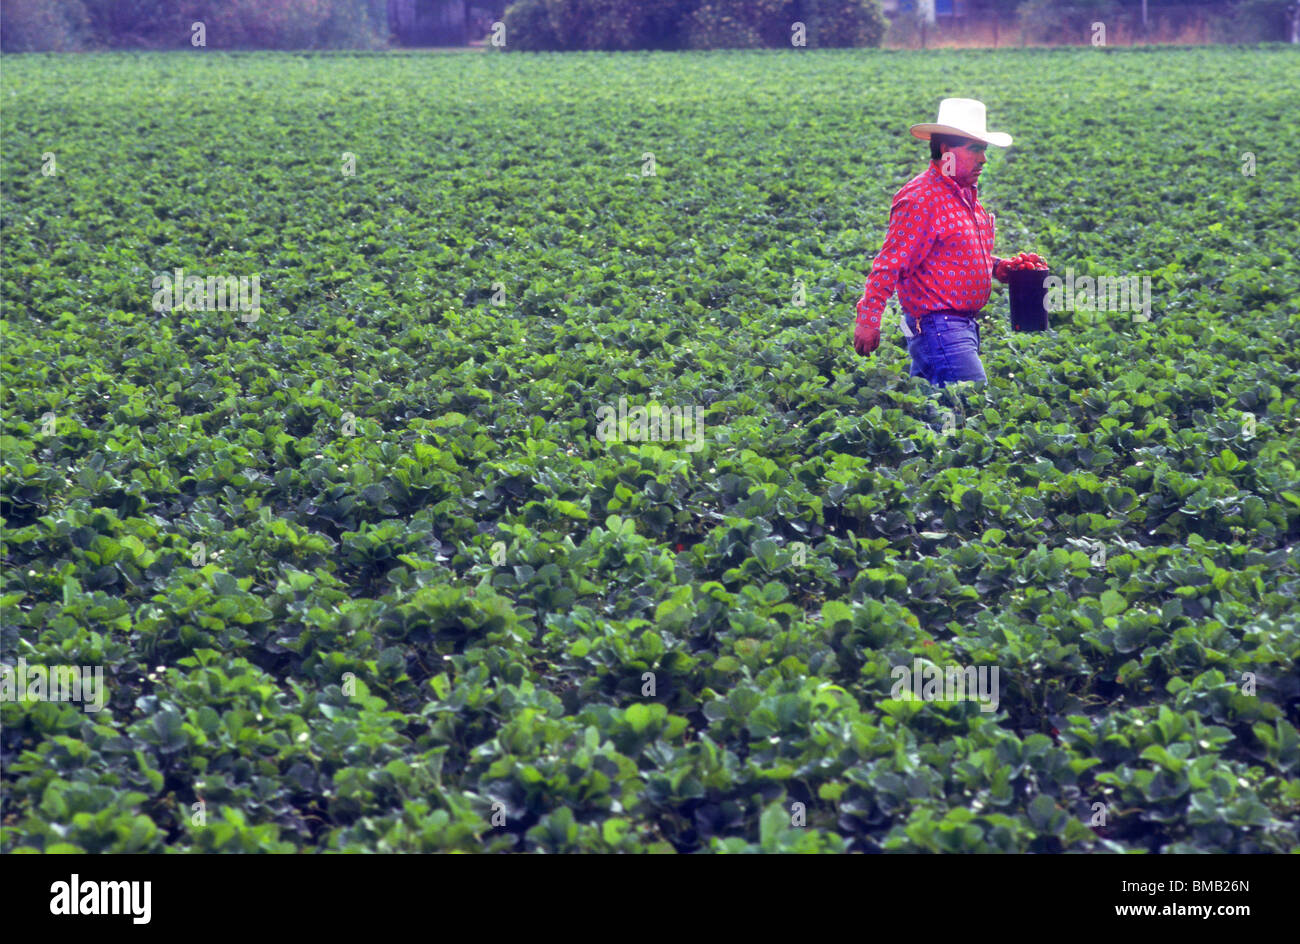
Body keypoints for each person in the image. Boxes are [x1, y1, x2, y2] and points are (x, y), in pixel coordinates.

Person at [852, 98, 1044, 388]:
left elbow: (951, 253)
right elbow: (889, 264)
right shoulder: (921, 199)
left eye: (984, 149)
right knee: (971, 401)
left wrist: (998, 268)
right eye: (976, 149)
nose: (983, 159)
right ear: (946, 151)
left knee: (937, 413)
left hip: (960, 327)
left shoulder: (964, 195)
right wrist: (868, 320)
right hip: (939, 327)